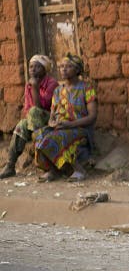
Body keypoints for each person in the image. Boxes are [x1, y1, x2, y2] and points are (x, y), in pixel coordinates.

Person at [34, 54, 97, 182]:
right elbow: (52, 116)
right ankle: (52, 169)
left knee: (59, 136)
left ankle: (79, 170)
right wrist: (52, 124)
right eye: (61, 66)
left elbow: (92, 117)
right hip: (61, 127)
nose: (63, 69)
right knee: (39, 134)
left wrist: (70, 124)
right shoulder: (57, 91)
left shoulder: (86, 88)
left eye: (68, 66)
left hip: (80, 128)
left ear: (77, 69)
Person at [0, 55, 59, 178]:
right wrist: (33, 87)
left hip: (51, 119)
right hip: (35, 122)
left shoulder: (52, 84)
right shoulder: (29, 85)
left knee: (34, 112)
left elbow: (41, 107)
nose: (33, 69)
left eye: (38, 67)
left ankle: (50, 166)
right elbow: (27, 108)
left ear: (45, 69)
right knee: (22, 124)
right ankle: (10, 166)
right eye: (31, 66)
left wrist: (36, 88)